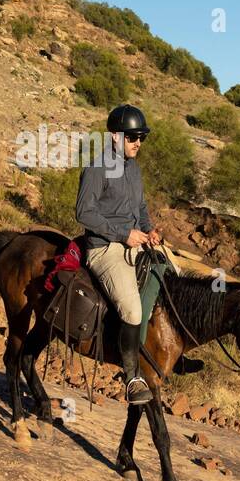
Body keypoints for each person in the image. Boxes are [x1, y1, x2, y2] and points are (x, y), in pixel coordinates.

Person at [74, 103, 163, 404]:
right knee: (133, 310)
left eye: (142, 137)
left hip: (135, 242)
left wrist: (149, 232)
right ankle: (131, 376)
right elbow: (84, 213)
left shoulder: (133, 168)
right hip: (105, 249)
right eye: (132, 136)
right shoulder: (98, 168)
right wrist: (124, 235)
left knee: (168, 276)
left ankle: (155, 350)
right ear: (114, 136)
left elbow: (139, 208)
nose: (138, 142)